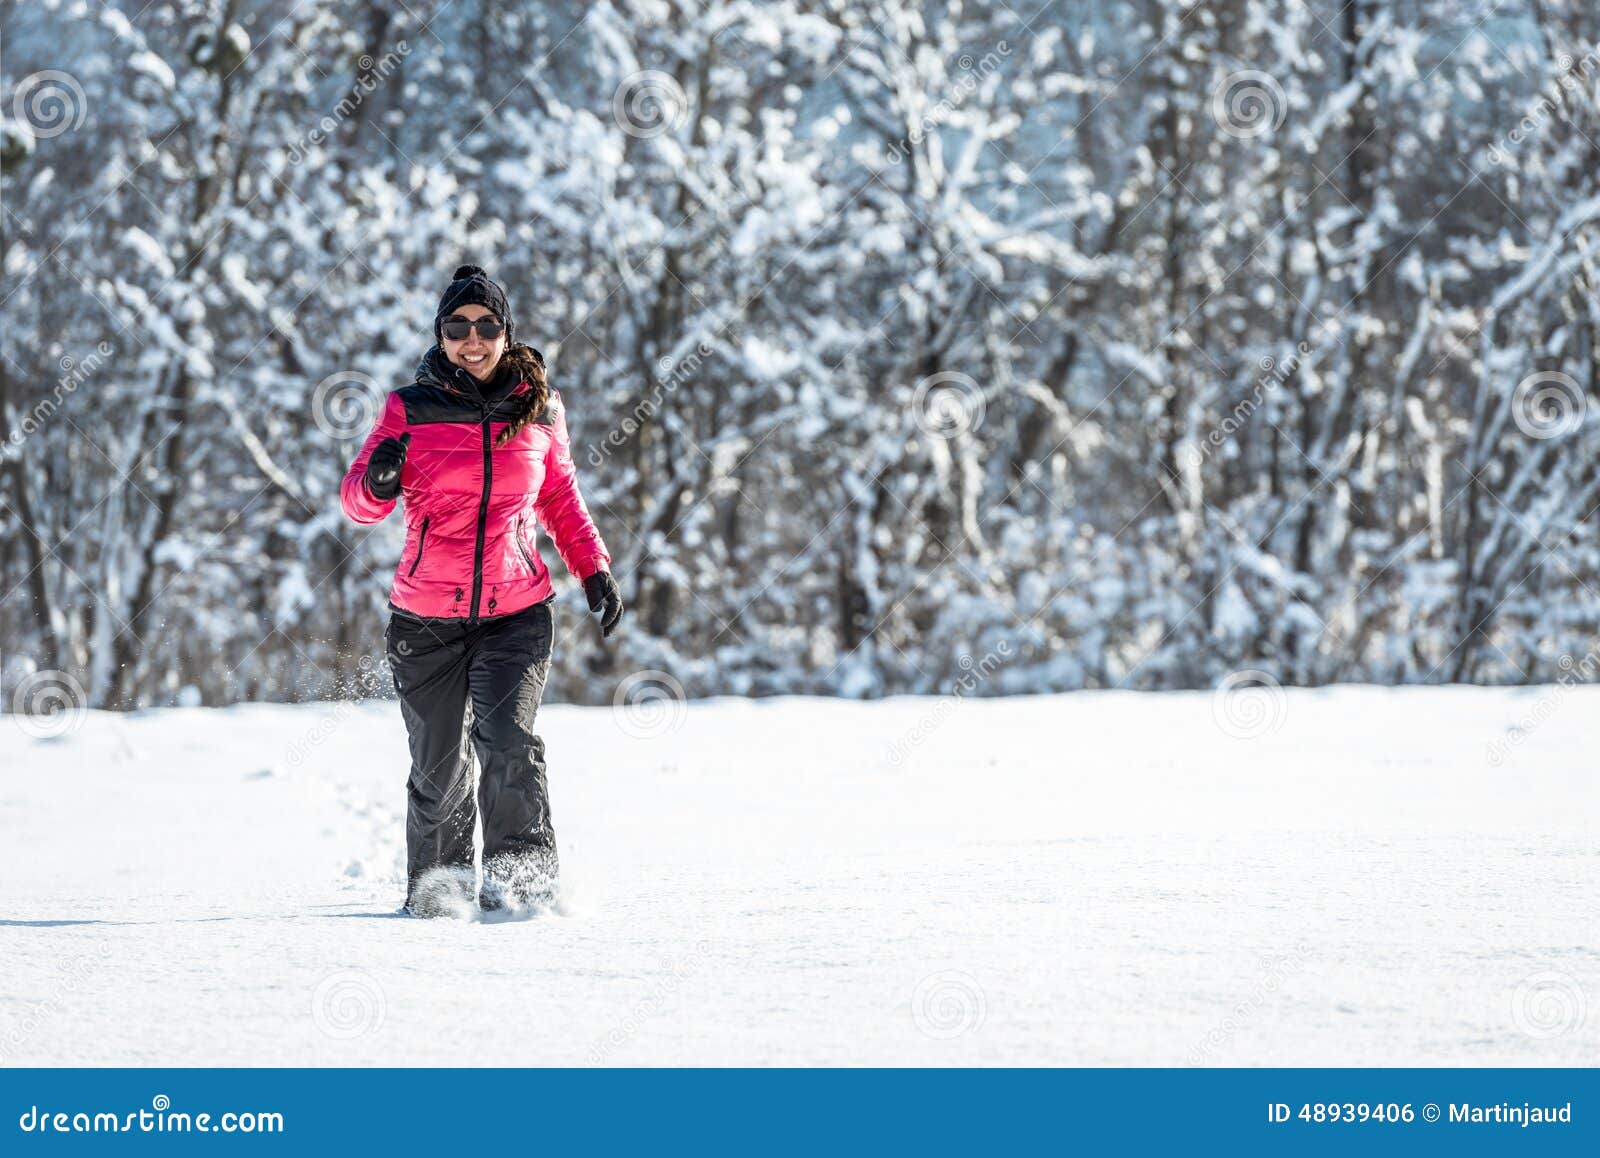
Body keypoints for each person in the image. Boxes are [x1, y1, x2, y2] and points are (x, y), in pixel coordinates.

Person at [339, 264, 624, 917]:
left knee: (507, 739)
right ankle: (442, 890)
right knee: (438, 764)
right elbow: (358, 504)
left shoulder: (540, 406)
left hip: (517, 612)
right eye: (458, 326)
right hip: (424, 620)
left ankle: (523, 882)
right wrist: (379, 482)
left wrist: (593, 568)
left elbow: (559, 495)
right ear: (441, 334)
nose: (473, 339)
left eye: (486, 325)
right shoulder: (409, 408)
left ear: (505, 331)